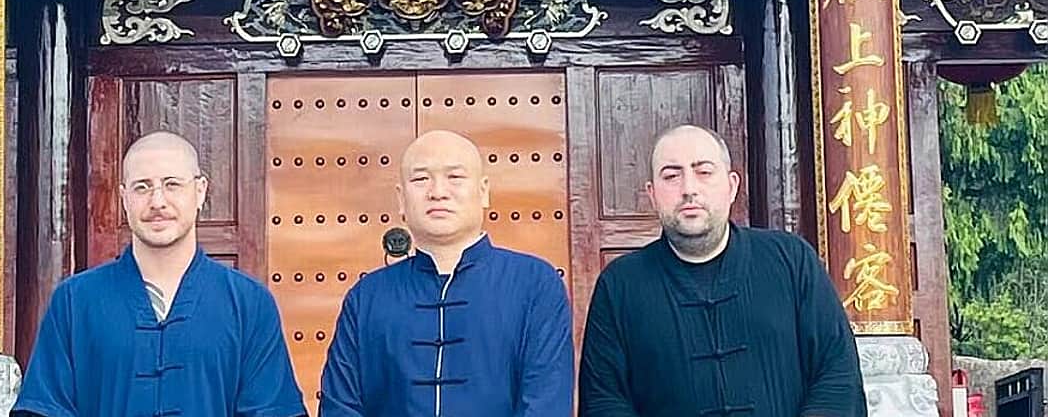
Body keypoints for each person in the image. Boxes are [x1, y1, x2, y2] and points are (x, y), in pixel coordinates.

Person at [579, 124, 866, 417]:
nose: (689, 189)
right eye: (671, 176)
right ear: (652, 194)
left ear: (731, 186)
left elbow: (836, 374)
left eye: (703, 172)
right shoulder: (621, 285)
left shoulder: (791, 261)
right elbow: (605, 400)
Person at [13, 131, 305, 417]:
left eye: (172, 185)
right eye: (142, 187)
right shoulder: (76, 302)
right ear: (124, 198)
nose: (157, 202)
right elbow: (45, 408)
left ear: (200, 190)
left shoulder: (248, 304)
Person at [319, 130, 573, 417]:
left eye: (455, 177)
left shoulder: (535, 284)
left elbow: (545, 404)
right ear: (401, 199)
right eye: (420, 179)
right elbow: (340, 407)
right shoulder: (366, 297)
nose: (438, 191)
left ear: (483, 191)